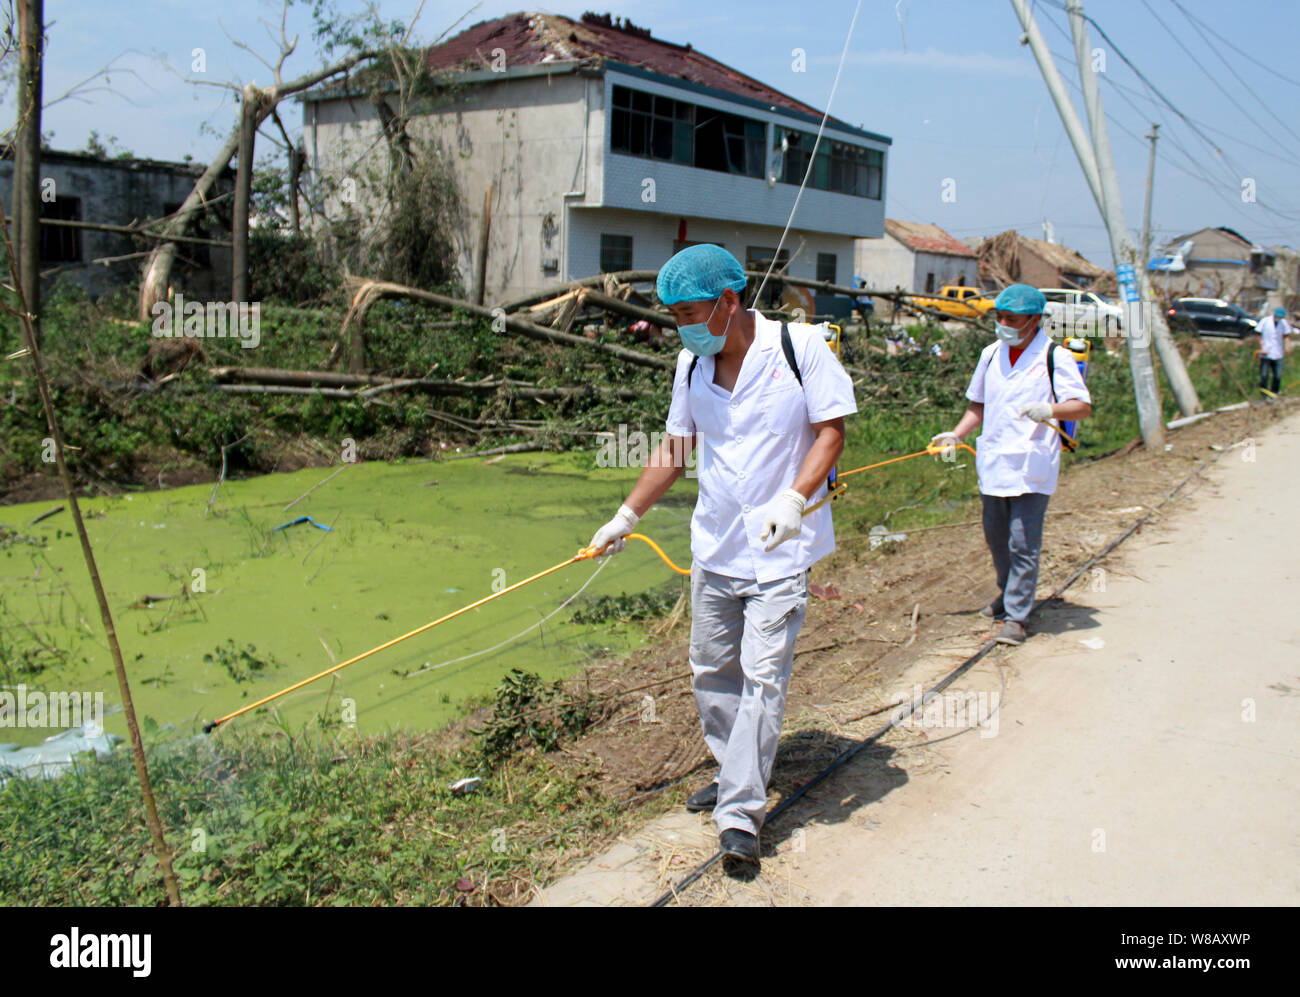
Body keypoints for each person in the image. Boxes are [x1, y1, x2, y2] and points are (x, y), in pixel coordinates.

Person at [587, 245, 857, 865]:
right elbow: (676, 448)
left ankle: (740, 813)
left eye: (689, 311)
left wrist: (793, 500)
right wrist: (625, 517)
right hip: (716, 546)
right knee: (711, 673)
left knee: (763, 679)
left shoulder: (799, 349)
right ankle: (735, 767)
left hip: (781, 551)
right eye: (675, 315)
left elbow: (833, 430)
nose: (681, 326)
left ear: (729, 300)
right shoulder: (690, 361)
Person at [930, 284, 1092, 646]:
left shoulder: (1055, 357)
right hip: (995, 461)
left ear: (1034, 320)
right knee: (996, 537)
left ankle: (1017, 616)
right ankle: (1007, 593)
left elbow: (1081, 406)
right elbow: (979, 404)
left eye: (1012, 319)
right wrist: (957, 434)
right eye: (999, 317)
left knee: (1023, 541)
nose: (1003, 325)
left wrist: (1050, 409)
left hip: (1032, 464)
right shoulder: (990, 354)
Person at [1256, 306, 1290, 396]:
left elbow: (1286, 335)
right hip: (1266, 353)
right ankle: (1263, 394)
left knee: (1278, 375)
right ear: (1274, 314)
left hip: (1278, 353)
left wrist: (1287, 347)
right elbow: (1258, 333)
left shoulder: (1283, 323)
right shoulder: (1265, 321)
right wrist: (1262, 347)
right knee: (1264, 375)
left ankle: (1274, 393)